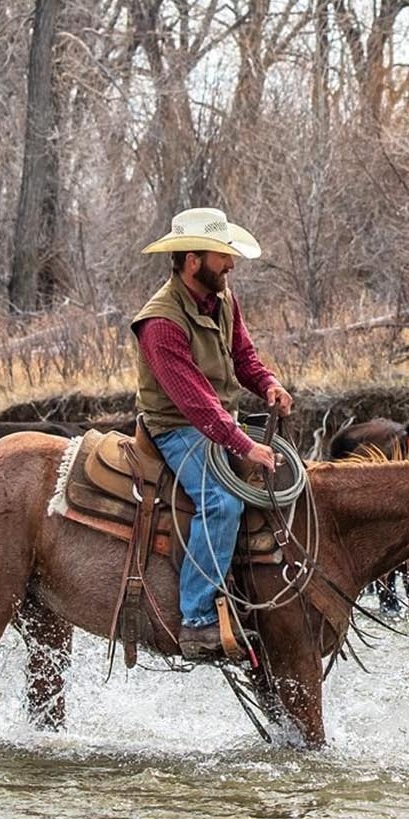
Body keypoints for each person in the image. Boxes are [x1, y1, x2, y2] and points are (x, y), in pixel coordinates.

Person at [132, 207, 294, 660]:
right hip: (177, 429)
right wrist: (244, 444)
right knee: (221, 501)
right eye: (222, 255)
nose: (231, 263)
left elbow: (243, 356)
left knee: (285, 484)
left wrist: (268, 384)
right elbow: (194, 402)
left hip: (217, 422)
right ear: (191, 261)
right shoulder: (160, 321)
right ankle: (199, 620)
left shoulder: (223, 299)